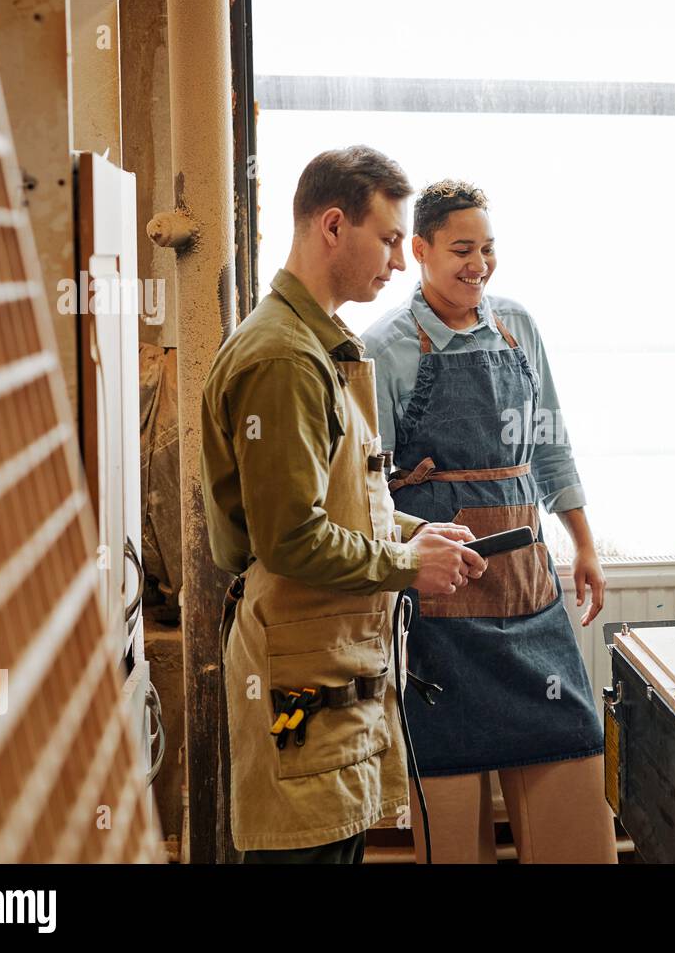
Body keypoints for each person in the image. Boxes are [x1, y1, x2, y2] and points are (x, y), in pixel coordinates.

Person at [201, 148, 487, 863]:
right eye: (389, 239)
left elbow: (342, 500)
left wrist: (417, 532)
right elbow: (291, 539)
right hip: (301, 669)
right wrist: (404, 564)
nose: (398, 261)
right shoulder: (285, 361)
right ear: (333, 225)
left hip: (328, 664)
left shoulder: (322, 347)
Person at [362, 180, 616, 863]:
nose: (479, 265)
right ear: (419, 250)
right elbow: (367, 496)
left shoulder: (518, 324)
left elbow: (551, 443)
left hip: (531, 595)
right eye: (462, 250)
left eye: (489, 249)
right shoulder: (381, 348)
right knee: (449, 812)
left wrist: (583, 543)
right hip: (441, 609)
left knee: (572, 760)